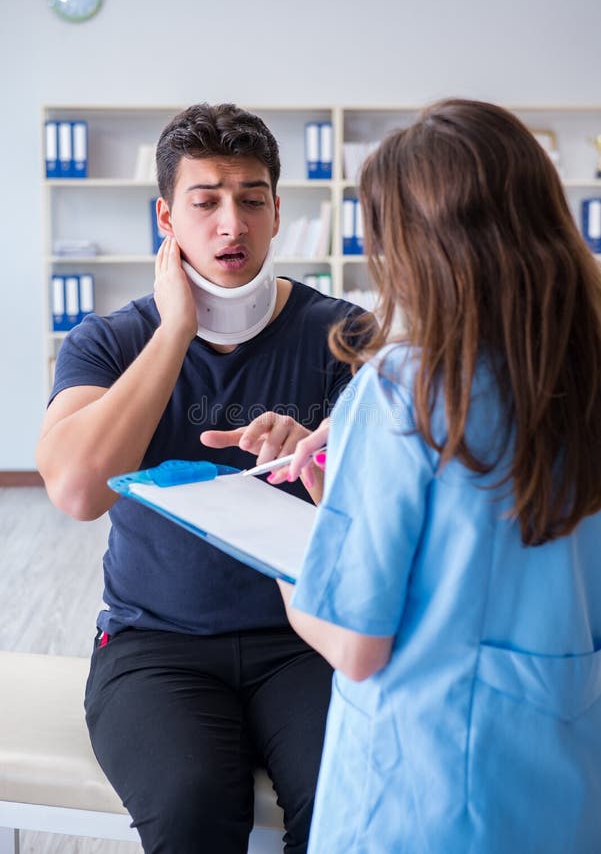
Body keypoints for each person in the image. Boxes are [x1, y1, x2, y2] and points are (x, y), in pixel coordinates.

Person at [275, 99, 601, 853]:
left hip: (419, 797)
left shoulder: (402, 390)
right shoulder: (584, 380)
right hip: (562, 789)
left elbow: (356, 642)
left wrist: (294, 562)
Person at [36, 102, 362, 854]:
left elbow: (396, 513)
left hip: (306, 639)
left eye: (251, 199)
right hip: (155, 644)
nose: (231, 223)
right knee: (190, 811)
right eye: (206, 200)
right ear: (166, 217)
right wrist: (175, 327)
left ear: (278, 212)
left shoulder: (346, 338)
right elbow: (79, 492)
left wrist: (317, 458)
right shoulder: (108, 340)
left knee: (346, 805)